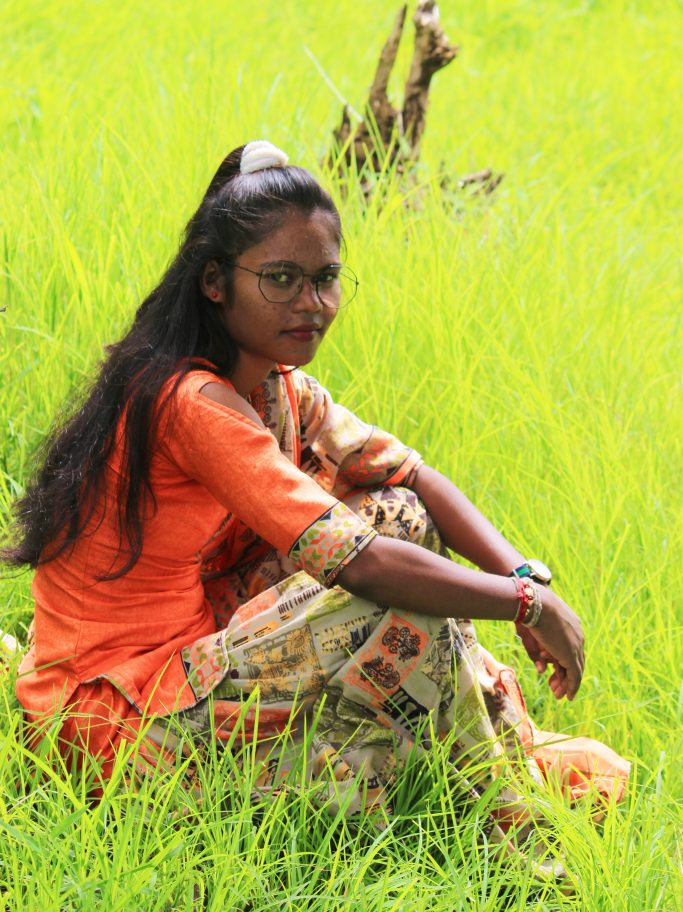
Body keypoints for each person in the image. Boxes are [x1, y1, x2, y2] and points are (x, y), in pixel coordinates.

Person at [4, 140, 628, 874]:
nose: (312, 303)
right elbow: (360, 569)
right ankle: (514, 827)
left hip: (195, 647)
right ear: (215, 282)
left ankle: (470, 770)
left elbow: (414, 479)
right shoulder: (190, 402)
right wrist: (526, 605)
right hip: (115, 714)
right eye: (280, 279)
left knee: (398, 516)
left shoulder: (274, 385)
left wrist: (522, 574)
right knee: (391, 600)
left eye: (325, 279)